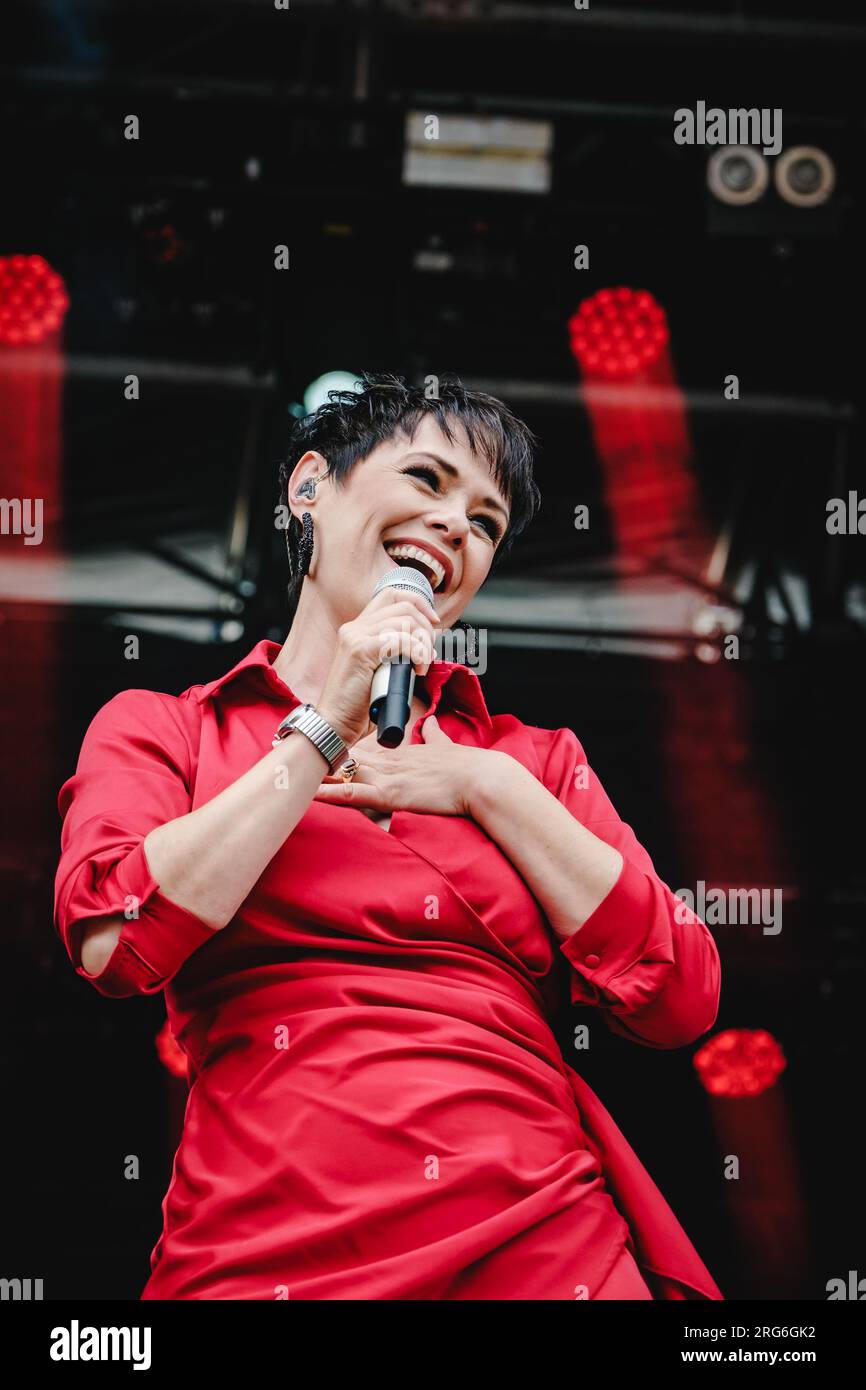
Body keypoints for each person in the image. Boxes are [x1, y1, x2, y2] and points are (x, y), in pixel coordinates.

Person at [53, 372, 723, 1300]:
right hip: (271, 1235)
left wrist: (486, 785)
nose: (456, 525)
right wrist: (322, 722)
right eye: (427, 480)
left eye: (486, 522)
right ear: (310, 488)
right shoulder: (168, 729)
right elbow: (113, 941)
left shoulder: (532, 760)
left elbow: (680, 995)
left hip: (540, 1238)